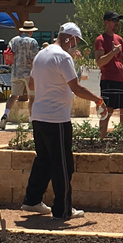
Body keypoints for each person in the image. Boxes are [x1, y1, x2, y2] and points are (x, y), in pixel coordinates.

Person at [20, 23, 104, 221]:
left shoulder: (42, 53)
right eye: (76, 41)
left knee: (44, 160)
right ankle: (63, 209)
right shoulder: (63, 57)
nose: (76, 46)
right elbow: (76, 88)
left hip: (39, 116)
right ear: (70, 38)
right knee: (63, 165)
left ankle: (32, 200)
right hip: (56, 118)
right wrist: (98, 100)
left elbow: (32, 83)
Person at [95, 10, 123, 137]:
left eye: (118, 20)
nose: (117, 23)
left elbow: (121, 61)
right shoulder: (100, 39)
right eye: (115, 20)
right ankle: (101, 139)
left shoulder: (119, 39)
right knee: (107, 111)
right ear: (106, 22)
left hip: (120, 80)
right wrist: (112, 52)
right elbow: (99, 62)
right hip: (108, 80)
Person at [0, 20, 40, 130]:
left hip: (16, 72)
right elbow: (33, 60)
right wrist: (33, 75)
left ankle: (5, 115)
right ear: (31, 31)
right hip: (28, 73)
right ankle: (31, 120)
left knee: (13, 96)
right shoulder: (33, 42)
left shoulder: (14, 40)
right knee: (32, 97)